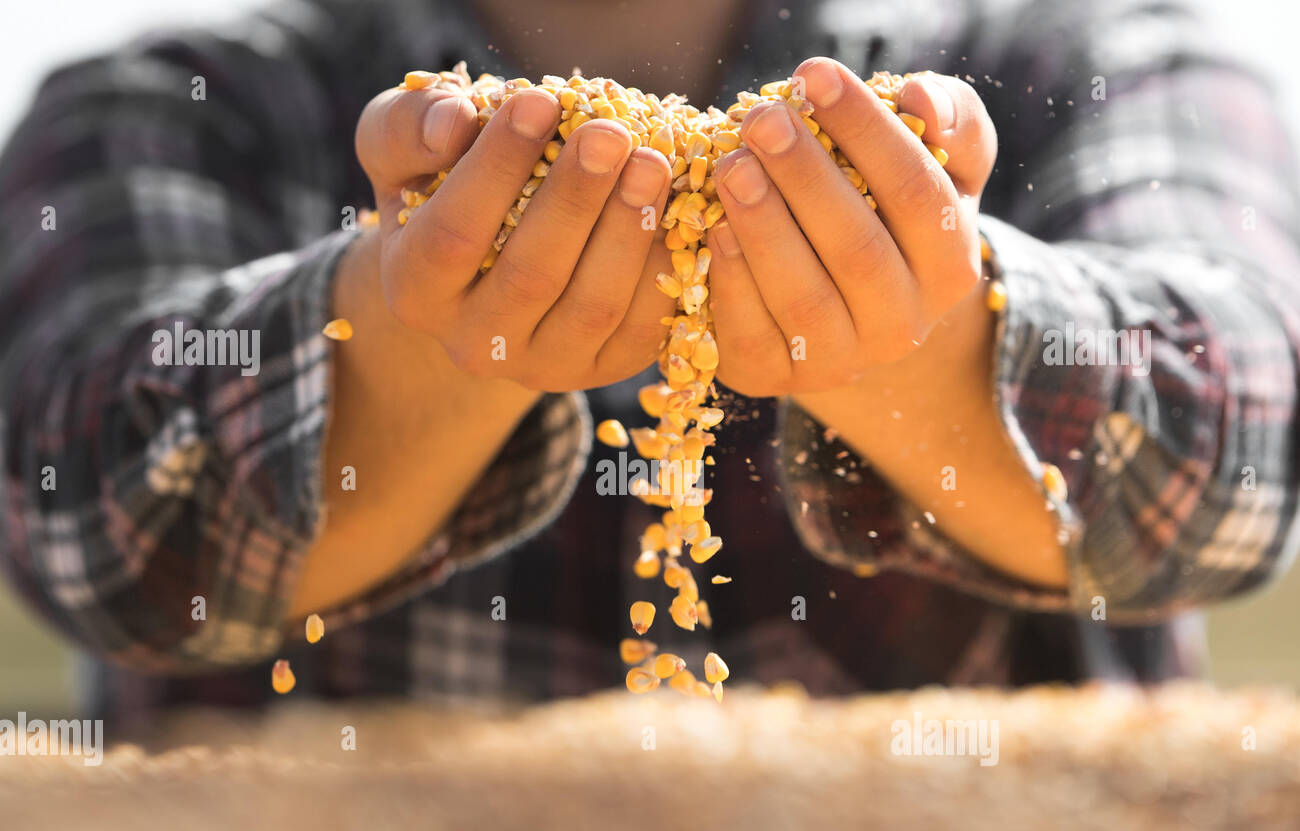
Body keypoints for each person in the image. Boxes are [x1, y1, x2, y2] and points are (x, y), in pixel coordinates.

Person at [1, 0, 1296, 733]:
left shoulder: (1088, 66)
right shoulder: (177, 113)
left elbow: (1239, 450)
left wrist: (937, 341)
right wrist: (410, 332)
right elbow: (87, 521)